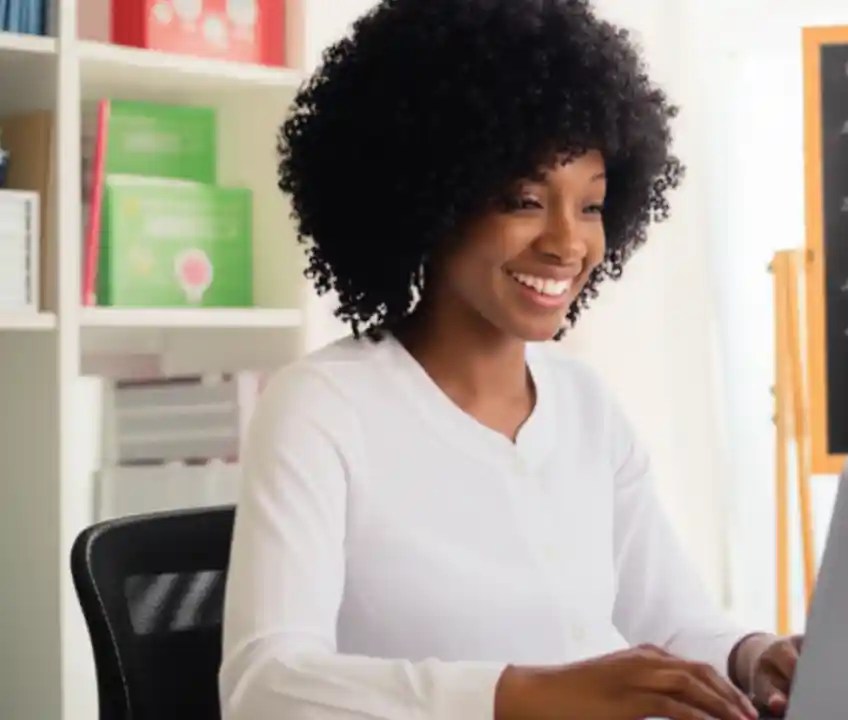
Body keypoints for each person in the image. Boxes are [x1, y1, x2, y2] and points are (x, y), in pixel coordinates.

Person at [217, 1, 802, 719]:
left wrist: (752, 654)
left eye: (590, 206)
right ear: (432, 198)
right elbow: (266, 686)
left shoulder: (584, 403)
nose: (567, 243)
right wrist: (522, 694)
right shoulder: (322, 408)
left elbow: (674, 622)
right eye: (525, 200)